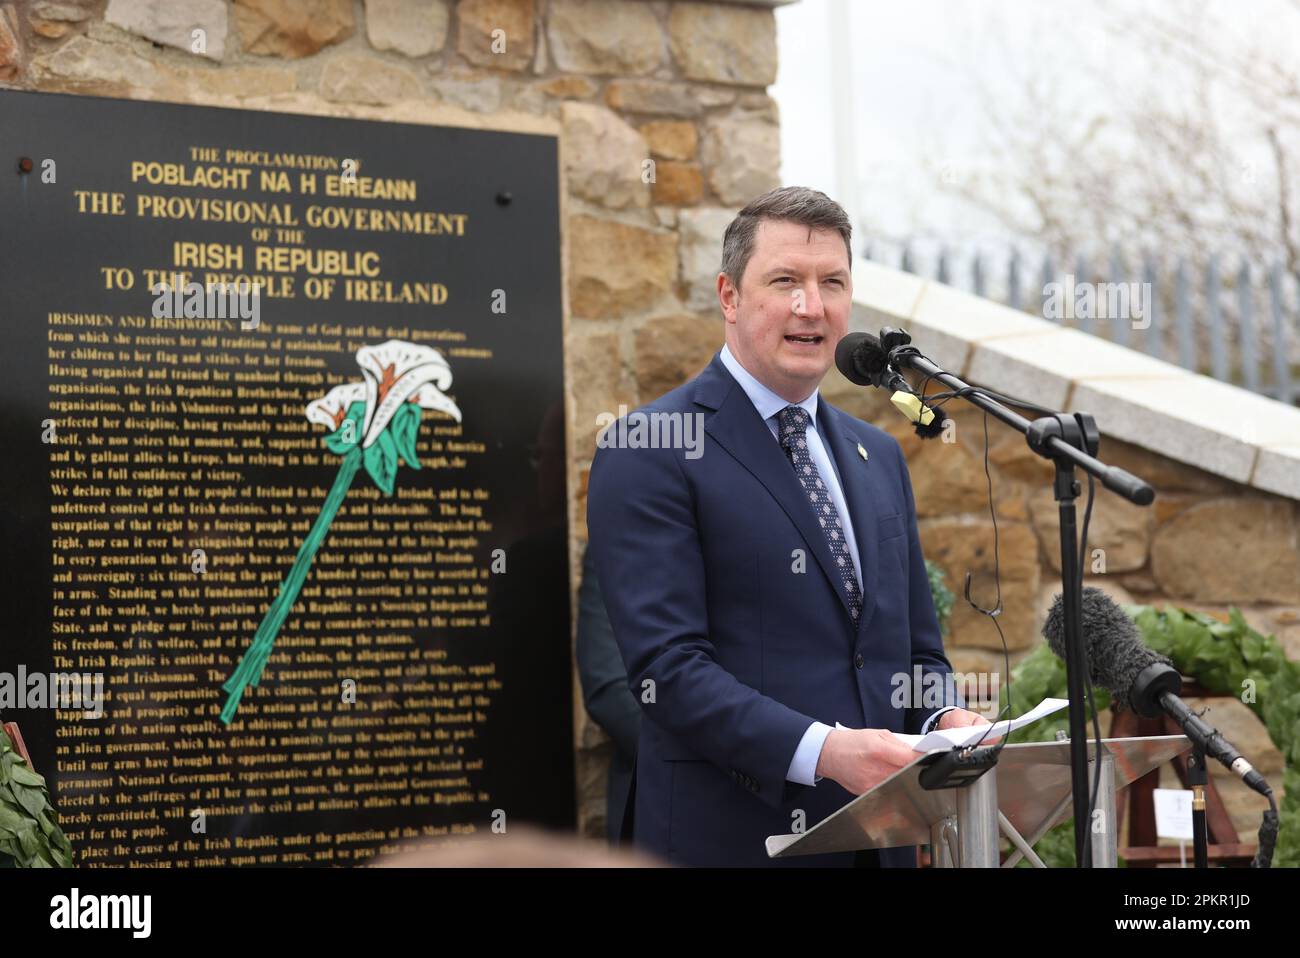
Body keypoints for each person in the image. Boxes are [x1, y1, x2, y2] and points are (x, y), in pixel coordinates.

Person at [586, 186, 992, 867]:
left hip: (883, 842)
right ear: (729, 297)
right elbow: (669, 671)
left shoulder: (879, 454)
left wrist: (942, 717)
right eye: (785, 282)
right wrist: (827, 753)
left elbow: (916, 651)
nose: (812, 306)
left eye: (832, 282)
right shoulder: (651, 446)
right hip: (736, 841)